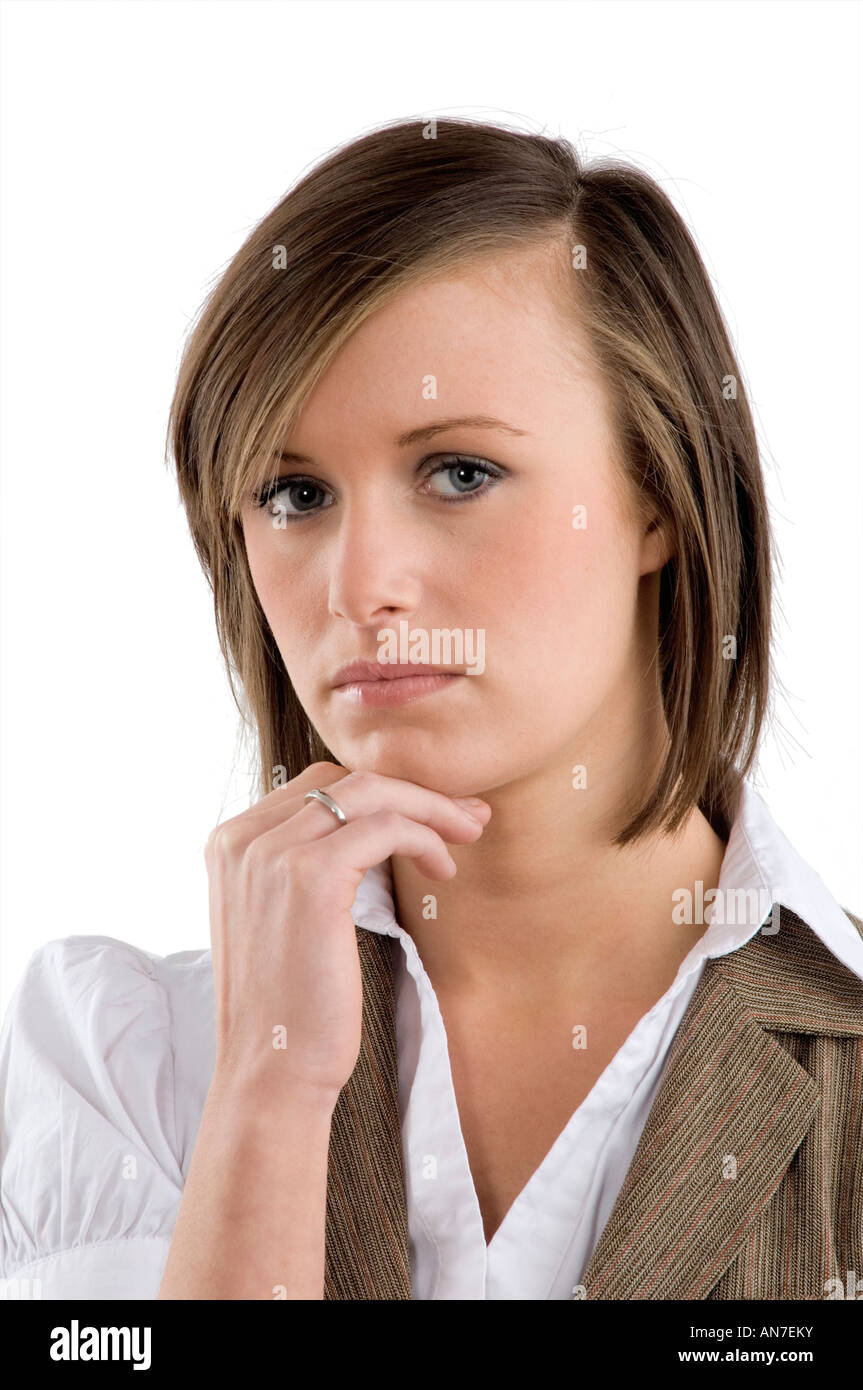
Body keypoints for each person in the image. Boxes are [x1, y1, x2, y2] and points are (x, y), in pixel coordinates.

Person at [1, 118, 861, 1302]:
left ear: (659, 495)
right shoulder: (129, 1064)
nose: (358, 586)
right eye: (293, 493)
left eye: (458, 472)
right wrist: (267, 1090)